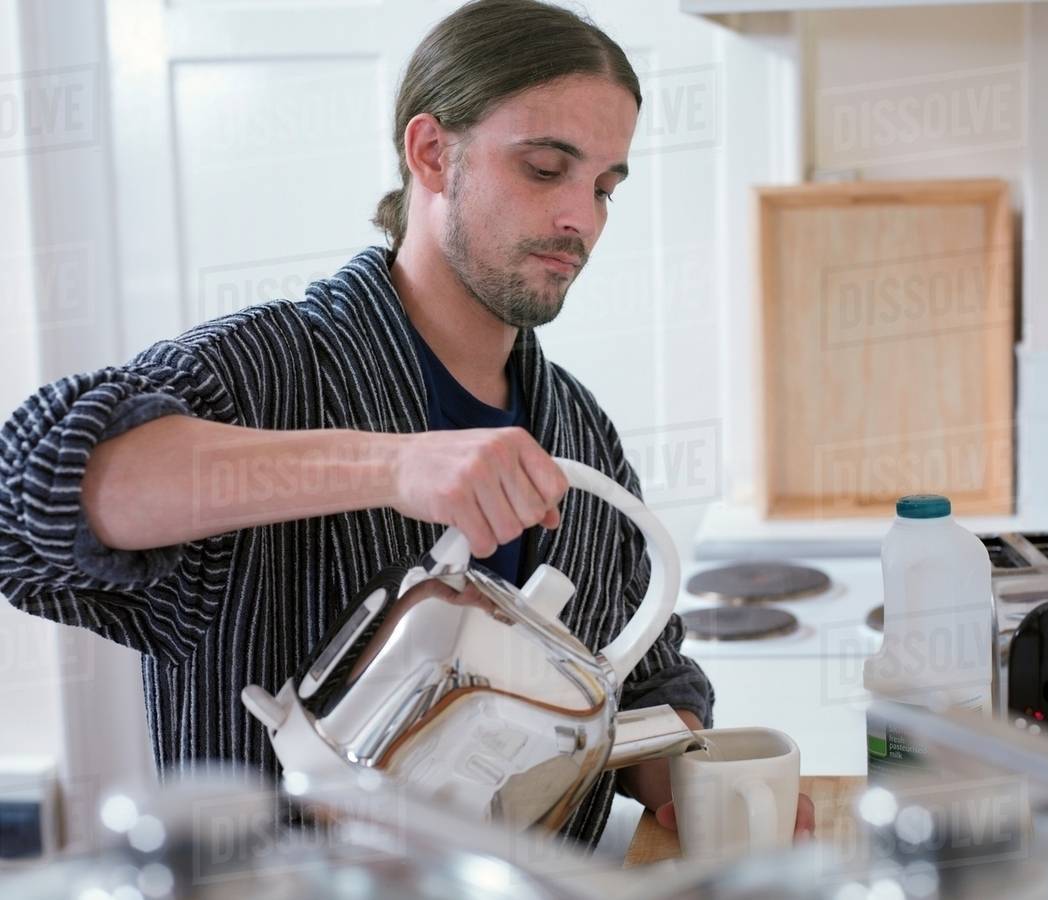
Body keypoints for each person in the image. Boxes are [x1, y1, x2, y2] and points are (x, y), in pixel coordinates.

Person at [0, 0, 813, 848]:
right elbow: (30, 492)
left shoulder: (577, 433)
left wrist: (692, 780)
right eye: (545, 168)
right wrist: (392, 467)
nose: (584, 219)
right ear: (431, 153)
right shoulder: (264, 372)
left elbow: (644, 678)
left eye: (606, 187)